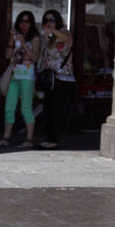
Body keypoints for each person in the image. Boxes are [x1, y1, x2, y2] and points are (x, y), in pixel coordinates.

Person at [0, 10, 39, 148]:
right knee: (9, 107)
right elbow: (7, 55)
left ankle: (29, 139)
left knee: (26, 108)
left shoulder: (35, 38)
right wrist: (11, 39)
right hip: (15, 75)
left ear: (31, 23)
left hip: (27, 76)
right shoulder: (16, 37)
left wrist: (24, 44)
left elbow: (35, 57)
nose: (23, 24)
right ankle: (6, 137)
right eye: (21, 21)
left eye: (26, 21)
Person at [36, 9, 75, 149]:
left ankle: (55, 140)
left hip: (63, 78)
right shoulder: (48, 37)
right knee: (49, 109)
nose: (48, 23)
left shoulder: (64, 31)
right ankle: (48, 138)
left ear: (57, 20)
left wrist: (53, 30)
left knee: (58, 110)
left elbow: (67, 40)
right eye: (46, 20)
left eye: (51, 20)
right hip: (50, 78)